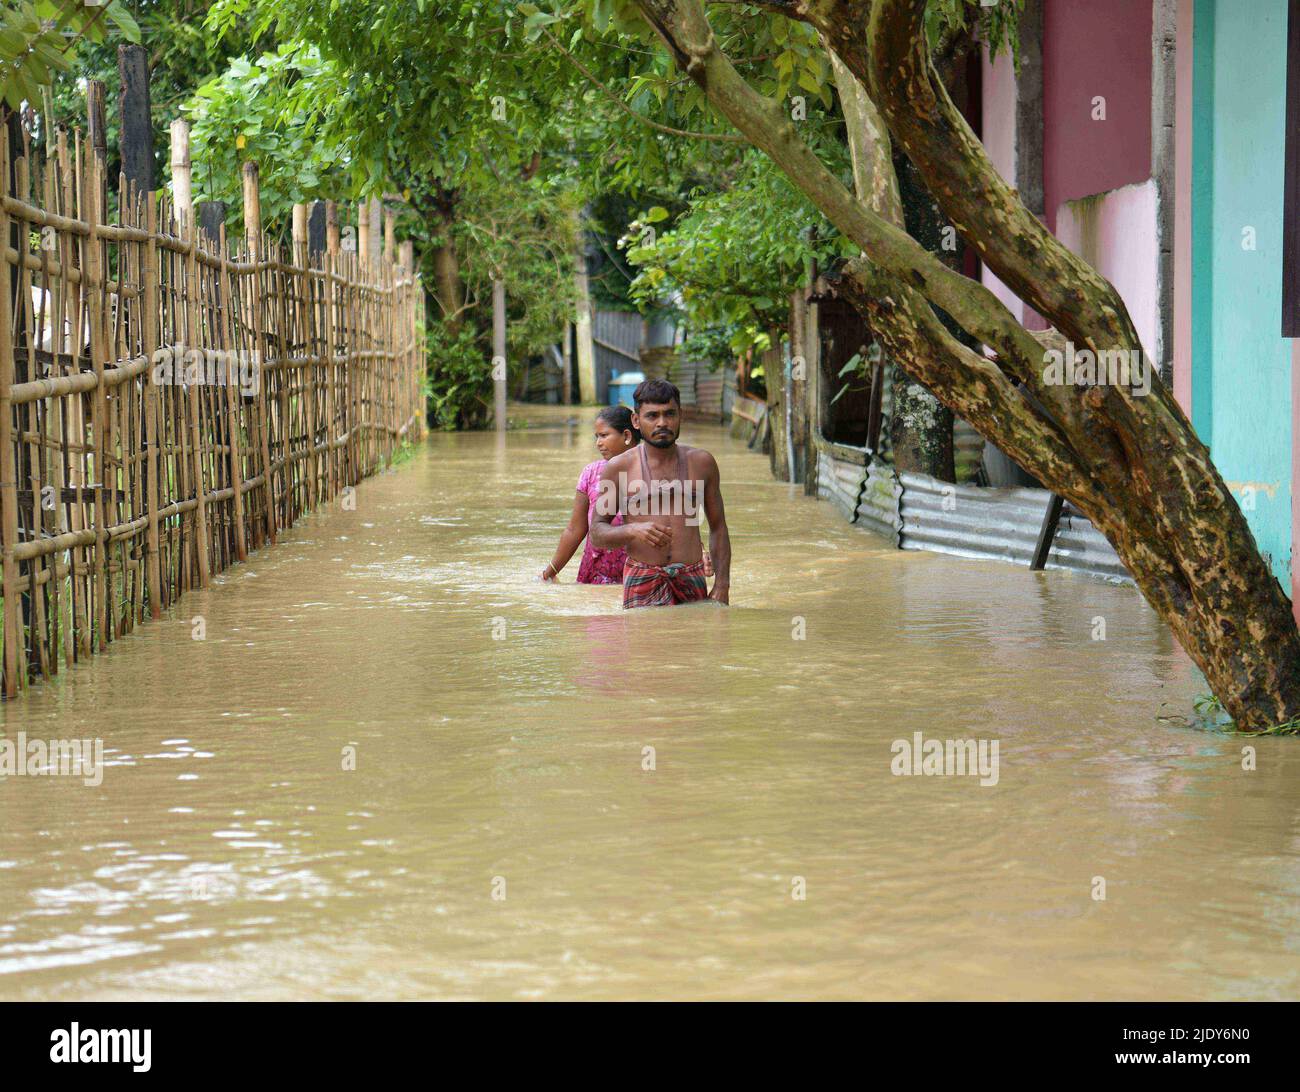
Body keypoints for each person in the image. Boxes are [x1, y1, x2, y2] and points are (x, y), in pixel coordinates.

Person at [589, 378, 731, 608]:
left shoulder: (702, 463)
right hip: (642, 577)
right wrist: (633, 530)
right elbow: (596, 532)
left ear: (680, 416)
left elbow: (718, 527)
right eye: (652, 415)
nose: (662, 423)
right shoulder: (618, 467)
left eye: (669, 414)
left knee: (694, 643)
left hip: (691, 576)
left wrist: (722, 585)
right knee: (644, 643)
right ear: (636, 421)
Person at [541, 406, 639, 584]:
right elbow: (575, 529)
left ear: (626, 436)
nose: (598, 443)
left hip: (638, 578)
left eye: (604, 435)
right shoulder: (591, 473)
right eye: (597, 437)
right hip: (594, 574)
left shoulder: (650, 472)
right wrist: (549, 572)